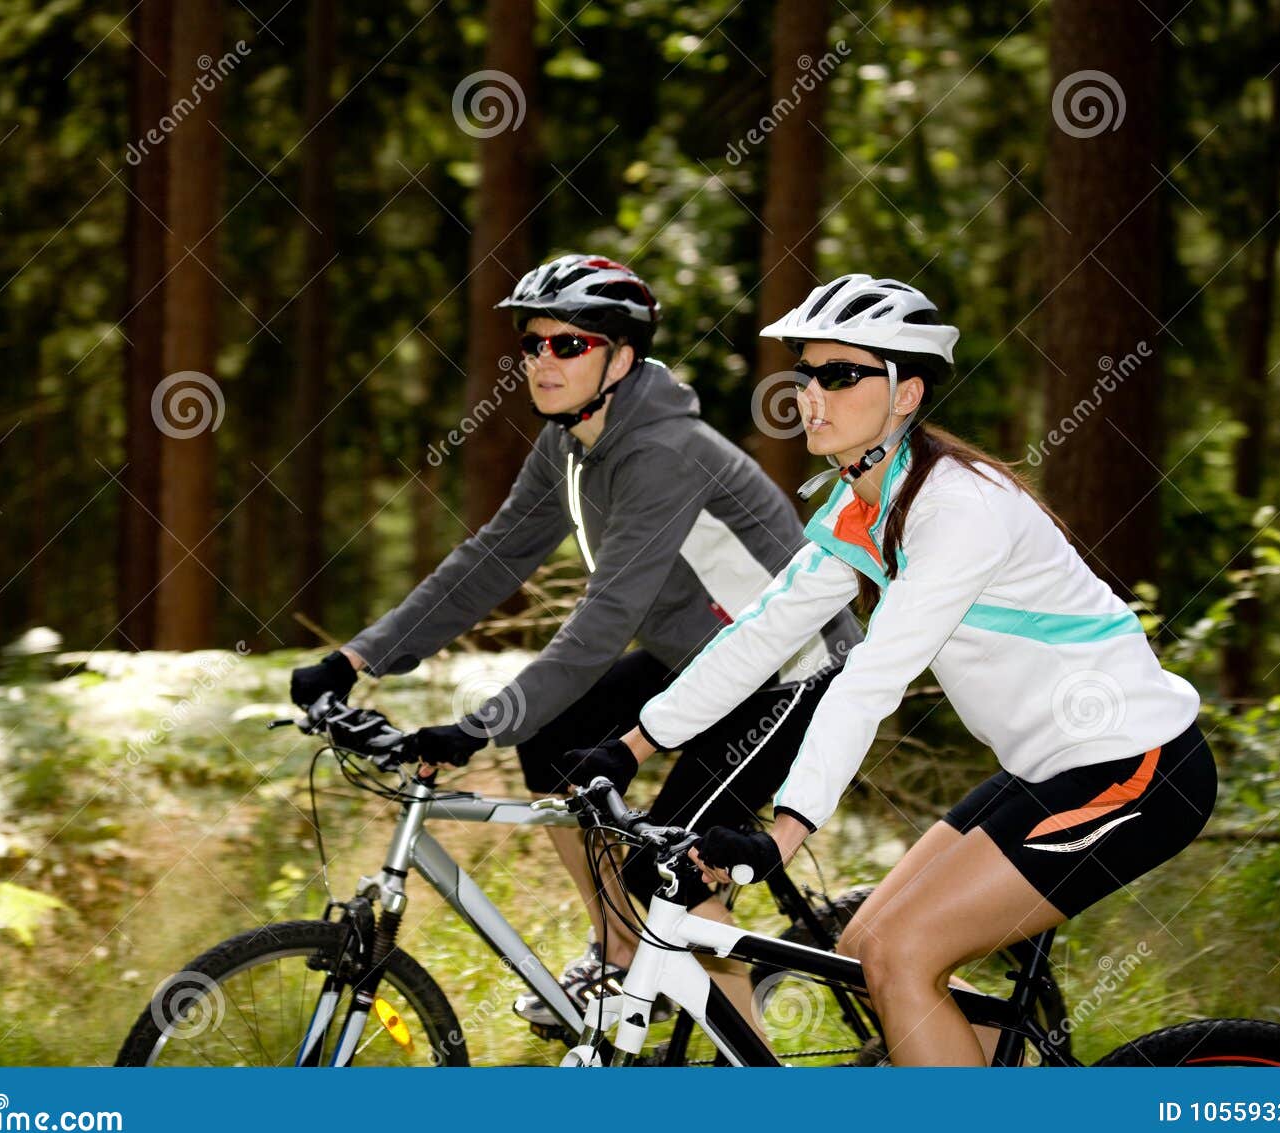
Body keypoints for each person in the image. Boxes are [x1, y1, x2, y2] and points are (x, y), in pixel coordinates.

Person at [563, 274, 1217, 1065]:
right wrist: (635, 743)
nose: (811, 394)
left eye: (840, 375)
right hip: (1045, 766)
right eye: (805, 374)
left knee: (903, 953)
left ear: (905, 392)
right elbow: (764, 633)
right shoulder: (862, 504)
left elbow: (872, 677)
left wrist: (785, 829)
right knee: (869, 943)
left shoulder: (958, 508)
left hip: (1135, 765)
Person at [289, 254, 860, 1027]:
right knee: (556, 739)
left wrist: (475, 726)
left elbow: (601, 623)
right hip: (700, 665)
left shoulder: (662, 452)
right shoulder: (572, 442)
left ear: (621, 358)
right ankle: (624, 955)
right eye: (533, 344)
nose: (542, 361)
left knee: (676, 873)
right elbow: (490, 559)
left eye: (570, 344)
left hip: (795, 676)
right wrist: (356, 657)